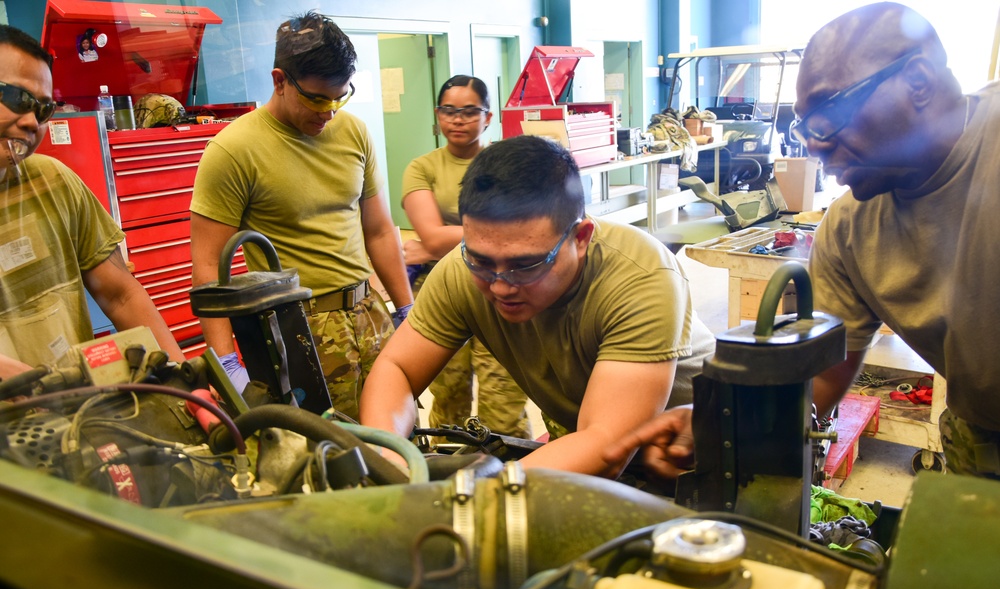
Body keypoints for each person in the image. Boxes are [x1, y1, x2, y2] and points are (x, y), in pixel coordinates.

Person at [626, 2, 1000, 482]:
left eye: (826, 116)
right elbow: (824, 368)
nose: (814, 145)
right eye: (805, 128)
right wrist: (728, 419)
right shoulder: (850, 229)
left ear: (918, 82)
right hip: (981, 434)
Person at [359, 134, 715, 478]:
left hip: (690, 463)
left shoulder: (641, 277)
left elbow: (605, 444)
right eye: (481, 261)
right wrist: (388, 456)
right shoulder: (461, 270)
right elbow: (398, 369)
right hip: (576, 449)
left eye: (525, 265)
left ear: (580, 238)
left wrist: (467, 495)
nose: (500, 285)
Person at [190, 11, 413, 420]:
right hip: (299, 330)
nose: (329, 112)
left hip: (369, 313)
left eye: (339, 96)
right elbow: (208, 267)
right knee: (331, 453)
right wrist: (226, 362)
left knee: (398, 439)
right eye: (316, 98)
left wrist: (405, 310)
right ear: (279, 81)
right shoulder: (233, 150)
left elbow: (379, 231)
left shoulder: (355, 133)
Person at [0, 25, 184, 379]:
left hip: (76, 415)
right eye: (19, 100)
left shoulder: (52, 182)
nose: (30, 122)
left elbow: (121, 296)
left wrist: (186, 385)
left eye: (43, 110)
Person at [401, 75, 531, 439]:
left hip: (504, 287)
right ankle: (448, 484)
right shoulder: (422, 168)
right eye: (449, 110)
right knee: (448, 398)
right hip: (443, 288)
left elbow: (524, 231)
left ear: (488, 117)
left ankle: (515, 479)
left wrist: (438, 243)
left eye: (470, 111)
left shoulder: (508, 164)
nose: (458, 119)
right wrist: (437, 241)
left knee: (503, 401)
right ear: (438, 115)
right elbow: (430, 235)